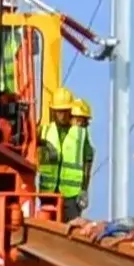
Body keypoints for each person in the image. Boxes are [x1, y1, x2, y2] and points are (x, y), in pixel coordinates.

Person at [38, 87, 93, 219]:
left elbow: (88, 160)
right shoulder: (44, 131)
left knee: (70, 231)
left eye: (64, 111)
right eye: (58, 112)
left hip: (71, 196)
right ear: (53, 111)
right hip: (48, 193)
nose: (61, 115)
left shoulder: (80, 134)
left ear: (71, 110)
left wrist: (84, 189)